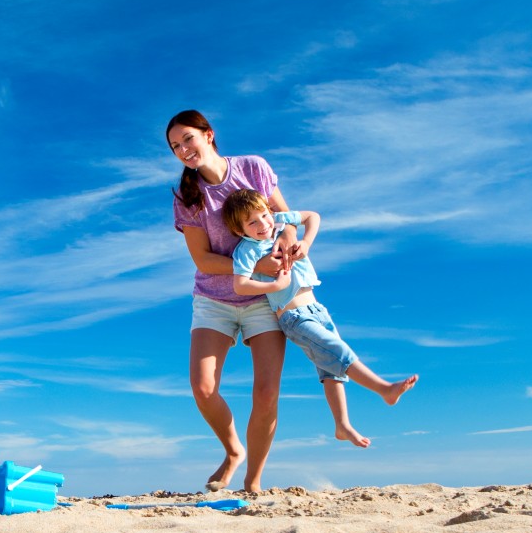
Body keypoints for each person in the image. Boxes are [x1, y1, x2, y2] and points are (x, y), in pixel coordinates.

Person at [222, 189, 417, 447]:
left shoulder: (280, 222)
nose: (263, 224)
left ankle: (342, 425)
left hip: (317, 309)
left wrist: (306, 243)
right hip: (293, 317)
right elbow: (240, 285)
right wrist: (274, 286)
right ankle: (384, 389)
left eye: (264, 216)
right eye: (252, 222)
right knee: (337, 352)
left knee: (331, 371)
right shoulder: (246, 249)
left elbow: (312, 216)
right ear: (240, 230)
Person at [168, 109, 298, 494]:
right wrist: (250, 262)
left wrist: (291, 241)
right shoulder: (188, 196)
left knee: (266, 391)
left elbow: (285, 217)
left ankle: (253, 480)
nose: (183, 149)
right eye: (175, 146)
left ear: (208, 134)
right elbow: (203, 259)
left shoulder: (252, 168)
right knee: (203, 387)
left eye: (187, 138)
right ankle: (232, 451)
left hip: (264, 298)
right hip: (213, 298)